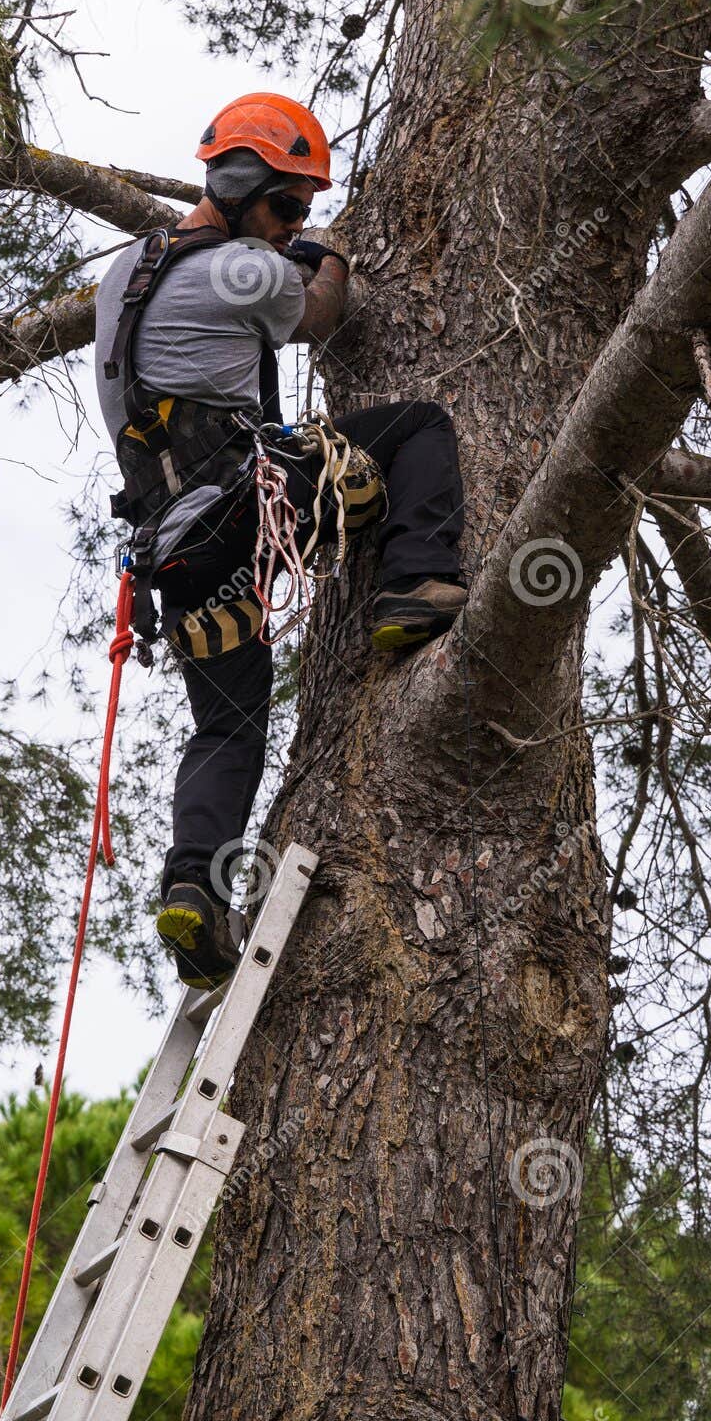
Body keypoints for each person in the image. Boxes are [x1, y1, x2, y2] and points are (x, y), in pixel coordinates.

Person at [93, 92, 466, 988]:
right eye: (286, 205)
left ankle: (194, 888)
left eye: (302, 209)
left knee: (227, 726)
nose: (292, 222)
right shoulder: (249, 274)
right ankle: (417, 582)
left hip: (172, 551)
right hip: (241, 508)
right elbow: (325, 313)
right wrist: (327, 252)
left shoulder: (123, 274)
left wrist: (279, 241)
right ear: (238, 183)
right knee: (418, 426)